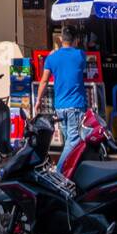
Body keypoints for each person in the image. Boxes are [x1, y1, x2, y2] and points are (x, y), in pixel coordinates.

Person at [35, 25, 87, 174]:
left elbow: (44, 81)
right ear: (76, 40)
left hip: (60, 106)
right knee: (74, 141)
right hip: (75, 105)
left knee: (68, 141)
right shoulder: (80, 55)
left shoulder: (52, 58)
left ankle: (70, 173)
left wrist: (38, 100)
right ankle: (58, 172)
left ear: (60, 39)